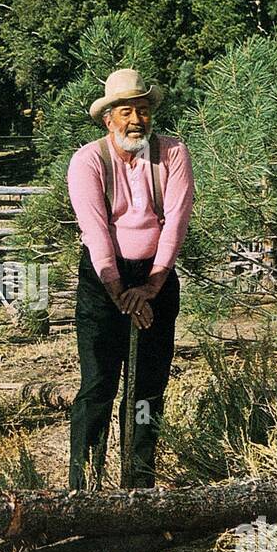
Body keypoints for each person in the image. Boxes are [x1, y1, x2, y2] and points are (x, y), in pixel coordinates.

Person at [66, 68, 194, 489]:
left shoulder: (173, 154)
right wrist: (122, 293)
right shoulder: (88, 161)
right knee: (98, 386)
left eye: (142, 110)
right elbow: (95, 229)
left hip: (156, 275)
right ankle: (85, 488)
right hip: (105, 281)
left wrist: (152, 287)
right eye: (126, 111)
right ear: (109, 119)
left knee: (147, 388)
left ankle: (138, 486)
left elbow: (176, 222)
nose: (136, 120)